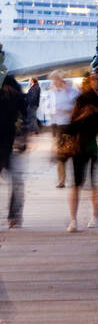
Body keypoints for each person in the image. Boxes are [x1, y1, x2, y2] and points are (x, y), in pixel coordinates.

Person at [66, 70, 98, 232]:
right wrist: (85, 113)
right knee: (77, 184)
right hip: (80, 145)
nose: (97, 82)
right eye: (94, 80)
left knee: (92, 183)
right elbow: (72, 124)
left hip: (90, 145)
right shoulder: (81, 100)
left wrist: (95, 112)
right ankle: (74, 220)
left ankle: (93, 217)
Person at [1, 75, 26, 228]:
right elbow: (25, 117)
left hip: (9, 144)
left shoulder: (13, 94)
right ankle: (14, 216)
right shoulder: (16, 95)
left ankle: (14, 216)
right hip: (10, 144)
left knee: (16, 181)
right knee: (16, 181)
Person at [49, 72, 79, 188]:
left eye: (56, 79)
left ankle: (76, 178)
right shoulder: (52, 93)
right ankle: (61, 180)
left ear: (62, 80)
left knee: (73, 153)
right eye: (53, 80)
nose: (54, 82)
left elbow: (77, 108)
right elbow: (50, 111)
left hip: (70, 126)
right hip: (58, 126)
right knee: (60, 155)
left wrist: (66, 110)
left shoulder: (72, 92)